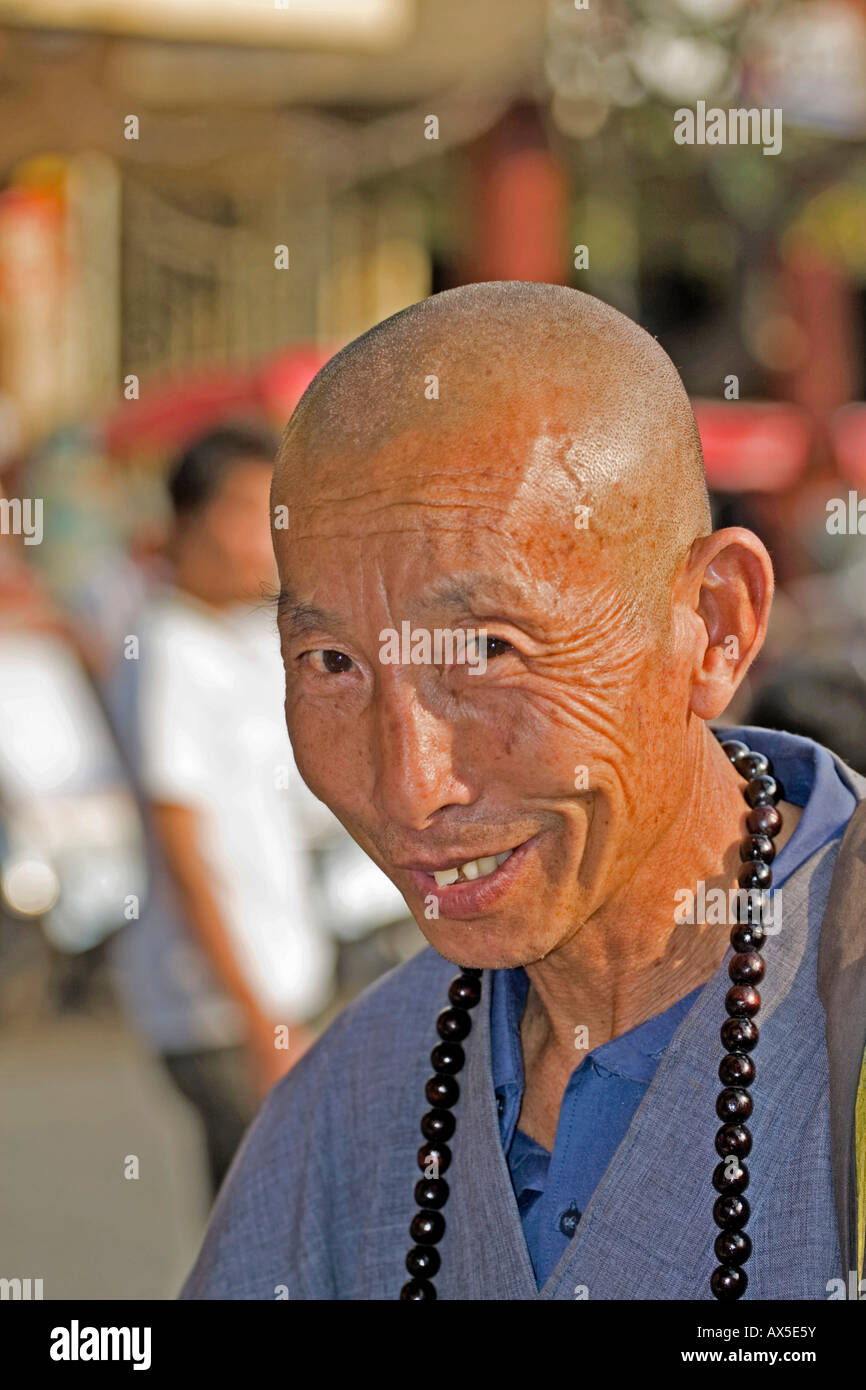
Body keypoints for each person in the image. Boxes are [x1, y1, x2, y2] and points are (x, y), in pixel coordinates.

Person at [181, 284, 866, 1299]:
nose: (411, 786)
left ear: (713, 625)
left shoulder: (837, 1004)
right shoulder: (354, 1096)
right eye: (330, 661)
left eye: (486, 650)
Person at [109, 424, 335, 1198]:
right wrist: (255, 1020)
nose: (264, 539)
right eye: (244, 514)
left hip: (273, 988)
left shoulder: (237, 637)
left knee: (269, 1225)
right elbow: (184, 850)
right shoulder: (166, 651)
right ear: (185, 524)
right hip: (214, 1009)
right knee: (278, 1217)